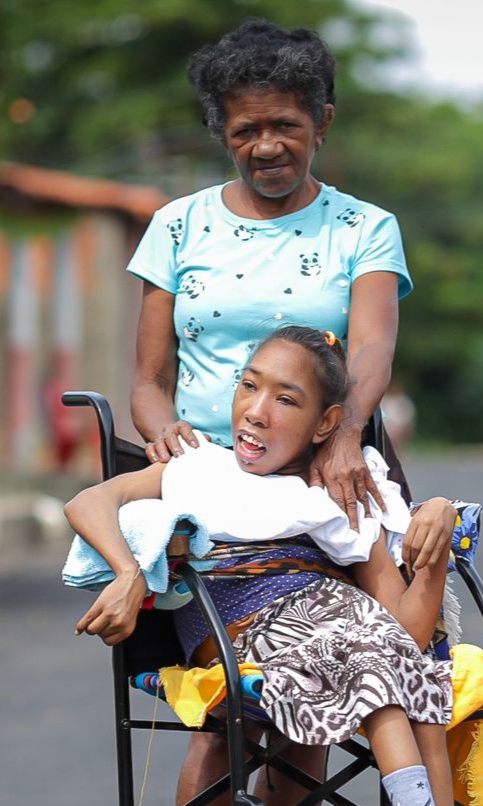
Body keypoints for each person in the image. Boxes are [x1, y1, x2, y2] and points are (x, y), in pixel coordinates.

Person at [69, 327, 459, 806]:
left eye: (285, 400)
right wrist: (129, 572)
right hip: (243, 627)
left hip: (345, 624)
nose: (256, 411)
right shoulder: (201, 467)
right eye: (249, 386)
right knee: (375, 658)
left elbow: (406, 635)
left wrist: (434, 553)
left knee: (399, 662)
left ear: (327, 424)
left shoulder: (340, 493)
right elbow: (89, 502)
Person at [129, 17, 408, 524]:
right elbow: (149, 381)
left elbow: (371, 350)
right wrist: (171, 443)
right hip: (205, 471)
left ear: (321, 122)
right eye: (245, 131)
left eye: (285, 126)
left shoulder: (365, 228)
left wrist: (343, 438)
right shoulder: (176, 225)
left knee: (388, 585)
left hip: (318, 468)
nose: (266, 146)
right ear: (222, 135)